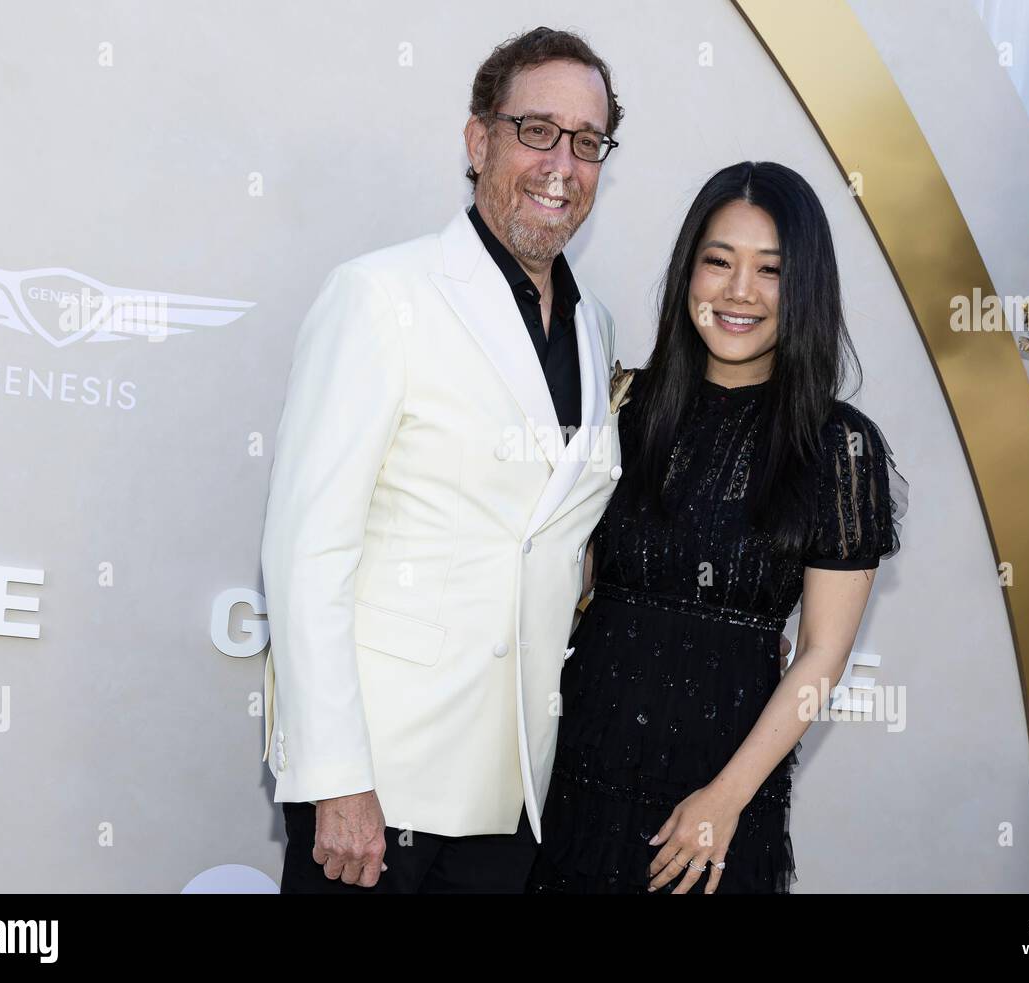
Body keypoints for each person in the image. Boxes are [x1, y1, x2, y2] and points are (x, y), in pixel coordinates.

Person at [258, 27, 630, 894]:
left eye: (587, 142)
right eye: (537, 130)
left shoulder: (594, 327)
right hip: (380, 793)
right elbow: (307, 552)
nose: (561, 164)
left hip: (512, 794)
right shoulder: (382, 296)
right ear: (478, 140)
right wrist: (336, 777)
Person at [527, 160, 909, 894]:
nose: (739, 292)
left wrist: (726, 798)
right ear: (688, 274)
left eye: (770, 271)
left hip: (718, 809)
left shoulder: (840, 446)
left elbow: (822, 656)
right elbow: (557, 578)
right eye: (718, 262)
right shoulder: (622, 408)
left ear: (804, 291)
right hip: (573, 778)